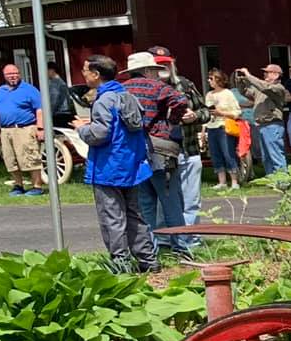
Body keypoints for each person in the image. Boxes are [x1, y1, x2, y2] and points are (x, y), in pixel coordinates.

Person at [78, 60, 156, 271]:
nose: (83, 75)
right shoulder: (128, 96)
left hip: (108, 167)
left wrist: (82, 129)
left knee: (112, 217)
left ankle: (121, 264)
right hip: (131, 166)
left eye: (85, 71)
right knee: (135, 215)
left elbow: (100, 134)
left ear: (95, 74)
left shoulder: (104, 100)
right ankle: (148, 260)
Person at [120, 53, 196, 258]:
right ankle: (181, 247)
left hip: (135, 152)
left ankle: (149, 249)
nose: (157, 74)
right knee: (171, 202)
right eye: (154, 70)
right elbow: (181, 100)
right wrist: (172, 120)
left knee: (145, 204)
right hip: (160, 149)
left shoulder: (122, 90)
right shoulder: (157, 87)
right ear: (146, 71)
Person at [152, 49, 204, 236]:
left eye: (167, 63)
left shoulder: (185, 84)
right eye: (159, 64)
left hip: (188, 149)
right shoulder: (148, 89)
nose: (164, 67)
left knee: (191, 200)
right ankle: (166, 237)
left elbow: (205, 111)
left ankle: (191, 238)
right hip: (162, 152)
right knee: (163, 199)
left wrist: (195, 115)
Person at [0, 62, 47, 196]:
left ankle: (37, 186)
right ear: (4, 76)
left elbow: (40, 110)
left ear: (19, 74)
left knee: (30, 158)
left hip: (25, 128)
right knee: (10, 159)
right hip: (5, 130)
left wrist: (41, 128)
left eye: (15, 73)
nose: (13, 76)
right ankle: (18, 185)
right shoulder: (0, 91)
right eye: (9, 74)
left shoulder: (29, 89)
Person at [203, 68, 247, 189]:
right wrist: (203, 130)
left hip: (224, 126)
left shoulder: (227, 93)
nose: (209, 81)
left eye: (211, 78)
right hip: (211, 127)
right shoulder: (209, 95)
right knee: (215, 154)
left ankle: (234, 181)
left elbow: (237, 112)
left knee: (228, 153)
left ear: (218, 79)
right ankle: (221, 181)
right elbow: (205, 113)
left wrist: (221, 113)